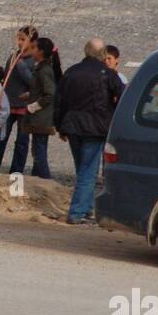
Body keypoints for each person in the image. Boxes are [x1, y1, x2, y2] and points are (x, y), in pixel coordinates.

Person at [54, 38, 123, 224]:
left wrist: (59, 126)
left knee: (83, 170)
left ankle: (85, 209)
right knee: (87, 171)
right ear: (102, 54)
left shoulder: (71, 72)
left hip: (73, 127)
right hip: (96, 128)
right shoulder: (107, 74)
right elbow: (123, 95)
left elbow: (59, 102)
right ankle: (77, 213)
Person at [0, 26, 37, 171]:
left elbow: (34, 83)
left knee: (21, 142)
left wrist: (20, 66)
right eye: (18, 39)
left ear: (32, 42)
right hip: (8, 104)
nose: (19, 42)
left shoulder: (34, 61)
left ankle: (16, 173)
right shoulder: (13, 57)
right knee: (1, 138)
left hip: (24, 107)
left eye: (23, 39)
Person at [21, 37, 61, 179]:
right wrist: (30, 94)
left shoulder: (44, 70)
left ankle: (46, 181)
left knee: (39, 151)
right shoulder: (41, 68)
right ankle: (36, 180)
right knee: (37, 150)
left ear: (41, 51)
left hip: (41, 119)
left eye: (34, 48)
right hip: (39, 118)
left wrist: (33, 106)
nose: (31, 50)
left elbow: (50, 94)